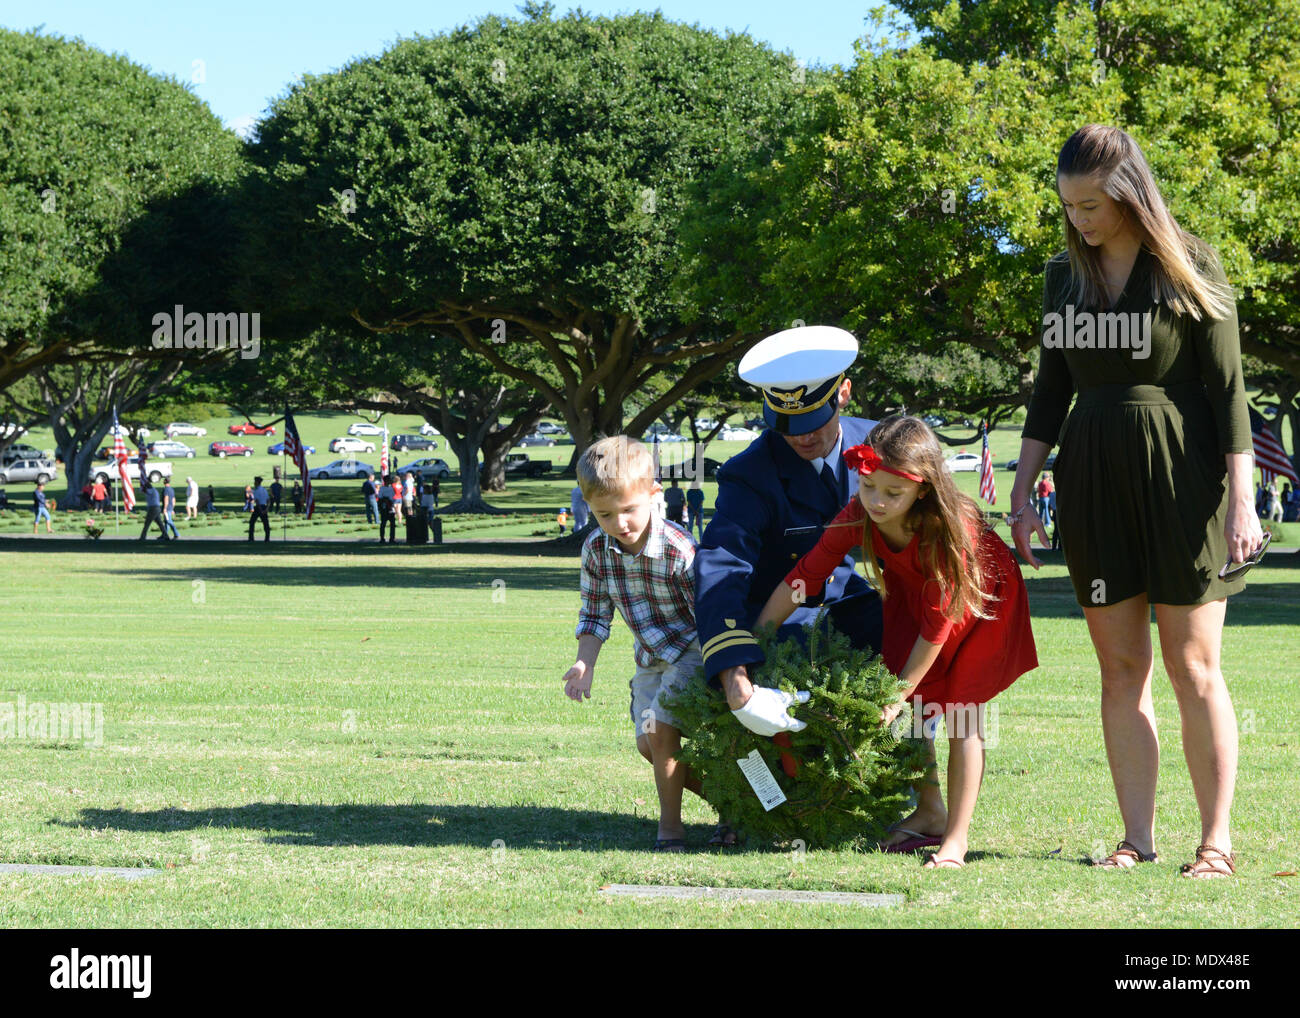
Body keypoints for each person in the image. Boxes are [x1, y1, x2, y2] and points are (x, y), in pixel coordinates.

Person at [1010, 124, 1264, 878]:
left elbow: (1229, 395)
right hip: (1092, 480)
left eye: (1092, 203)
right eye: (1069, 206)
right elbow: (1049, 394)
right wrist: (1022, 496)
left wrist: (1243, 503)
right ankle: (1136, 839)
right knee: (1121, 670)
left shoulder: (1192, 265)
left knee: (1194, 666)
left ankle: (1215, 842)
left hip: (1186, 482)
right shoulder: (1064, 279)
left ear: (1128, 192)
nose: (1080, 219)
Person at [757, 416, 1038, 869]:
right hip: (914, 597)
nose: (876, 503)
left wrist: (898, 690)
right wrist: (758, 637)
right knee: (917, 709)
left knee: (963, 713)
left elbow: (938, 625)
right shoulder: (859, 512)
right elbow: (805, 576)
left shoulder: (947, 531)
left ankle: (956, 840)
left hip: (981, 600)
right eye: (868, 488)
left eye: (893, 493)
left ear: (923, 489)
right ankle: (930, 810)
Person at [693, 326, 885, 846]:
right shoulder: (749, 474)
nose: (801, 436)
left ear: (843, 393)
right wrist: (733, 674)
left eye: (814, 420)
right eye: (786, 423)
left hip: (851, 604)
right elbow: (722, 563)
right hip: (776, 617)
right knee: (752, 723)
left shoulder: (886, 445)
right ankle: (750, 808)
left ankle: (893, 795)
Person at [562, 436, 714, 851]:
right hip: (650, 660)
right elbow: (595, 613)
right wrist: (584, 664)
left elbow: (708, 616)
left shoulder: (680, 550)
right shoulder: (596, 550)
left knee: (662, 728)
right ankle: (733, 804)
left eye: (628, 510)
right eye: (604, 514)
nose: (619, 523)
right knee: (649, 744)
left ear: (653, 495)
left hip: (693, 650)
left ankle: (671, 829)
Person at [138, 469, 168, 540]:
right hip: (156, 508)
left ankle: (143, 537)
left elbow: (144, 490)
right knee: (160, 523)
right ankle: (165, 535)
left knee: (147, 523)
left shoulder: (151, 490)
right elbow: (143, 490)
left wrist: (142, 483)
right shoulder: (153, 490)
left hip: (153, 508)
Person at [248, 475, 270, 542]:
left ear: (257, 482)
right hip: (264, 506)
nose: (254, 483)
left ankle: (251, 538)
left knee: (252, 522)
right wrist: (266, 509)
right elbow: (268, 500)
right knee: (265, 523)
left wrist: (261, 510)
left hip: (258, 508)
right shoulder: (264, 490)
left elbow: (257, 501)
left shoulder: (256, 491)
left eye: (255, 481)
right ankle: (267, 538)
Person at [376, 474, 398, 543]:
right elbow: (379, 498)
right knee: (383, 524)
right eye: (389, 480)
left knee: (392, 524)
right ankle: (382, 538)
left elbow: (393, 497)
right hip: (385, 507)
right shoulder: (382, 488)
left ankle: (392, 538)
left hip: (391, 507)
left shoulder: (391, 488)